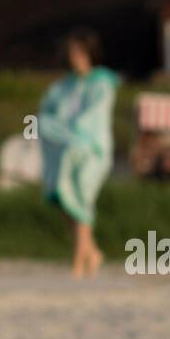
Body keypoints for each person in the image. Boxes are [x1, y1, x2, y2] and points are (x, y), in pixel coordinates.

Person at [39, 29, 120, 278]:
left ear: (89, 53)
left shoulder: (102, 83)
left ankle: (78, 260)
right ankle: (91, 252)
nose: (74, 56)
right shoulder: (63, 86)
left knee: (82, 197)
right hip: (65, 147)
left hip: (91, 149)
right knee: (65, 199)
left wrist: (76, 133)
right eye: (72, 51)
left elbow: (93, 117)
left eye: (79, 51)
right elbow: (46, 112)